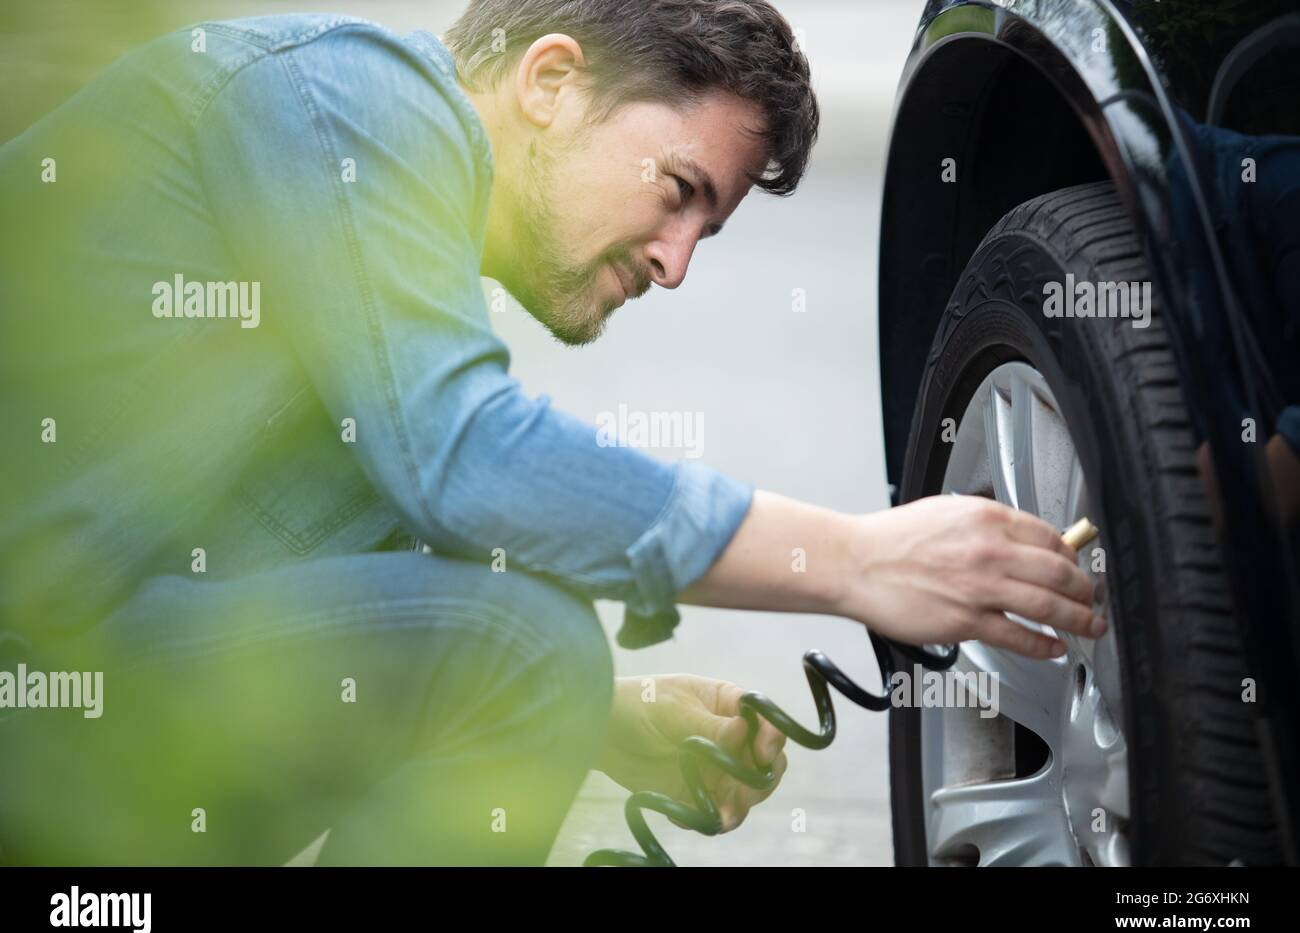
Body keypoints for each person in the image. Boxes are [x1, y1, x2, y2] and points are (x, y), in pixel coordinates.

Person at [0, 1, 1104, 865]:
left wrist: (604, 718)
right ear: (551, 82)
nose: (675, 263)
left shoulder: (372, 260)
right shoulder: (350, 97)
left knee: (538, 656)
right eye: (677, 190)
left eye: (704, 230)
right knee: (530, 644)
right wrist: (858, 558)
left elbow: (282, 561)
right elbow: (466, 455)